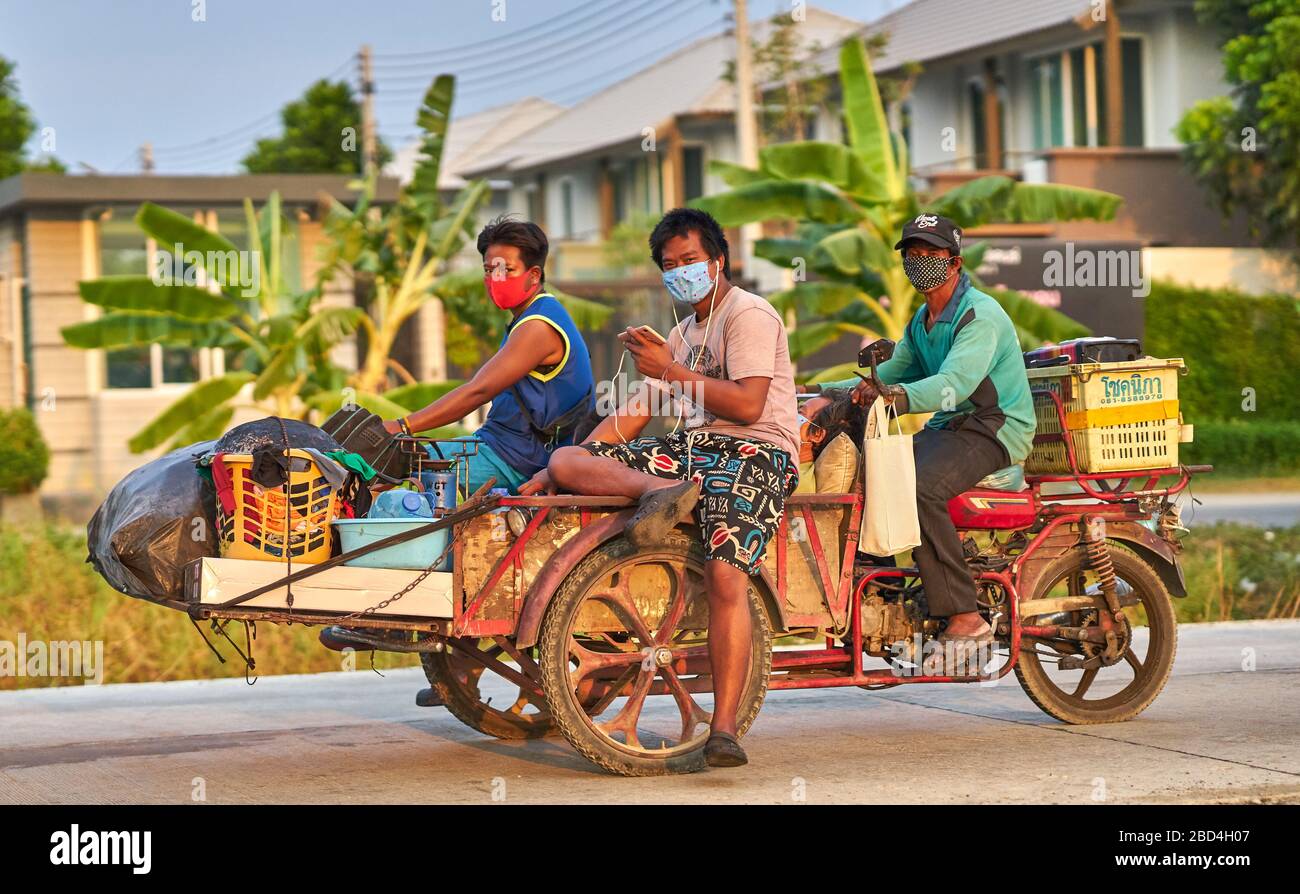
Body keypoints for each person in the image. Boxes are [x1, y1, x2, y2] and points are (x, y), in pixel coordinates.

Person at [523, 208, 799, 769]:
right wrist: (557, 470)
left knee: (726, 572)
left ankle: (723, 730)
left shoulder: (749, 315)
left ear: (718, 261)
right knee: (571, 456)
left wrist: (670, 371)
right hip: (696, 455)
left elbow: (747, 405)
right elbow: (637, 412)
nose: (680, 271)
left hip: (759, 450)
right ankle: (659, 491)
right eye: (669, 265)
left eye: (690, 260)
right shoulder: (682, 332)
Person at [838, 213, 1036, 668]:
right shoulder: (923, 321)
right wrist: (829, 396)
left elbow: (956, 384)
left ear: (955, 262)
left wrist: (898, 396)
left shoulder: (978, 315)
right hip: (953, 427)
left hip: (994, 428)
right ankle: (880, 594)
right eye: (912, 254)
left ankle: (966, 616)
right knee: (877, 474)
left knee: (918, 485)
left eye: (931, 254)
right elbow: (887, 374)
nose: (920, 261)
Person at [382, 215, 595, 495]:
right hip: (494, 447)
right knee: (406, 457)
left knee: (396, 470)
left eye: (507, 269)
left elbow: (478, 391)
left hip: (519, 461)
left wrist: (401, 426)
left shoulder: (539, 326)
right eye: (489, 270)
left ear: (533, 275)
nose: (496, 279)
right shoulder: (528, 318)